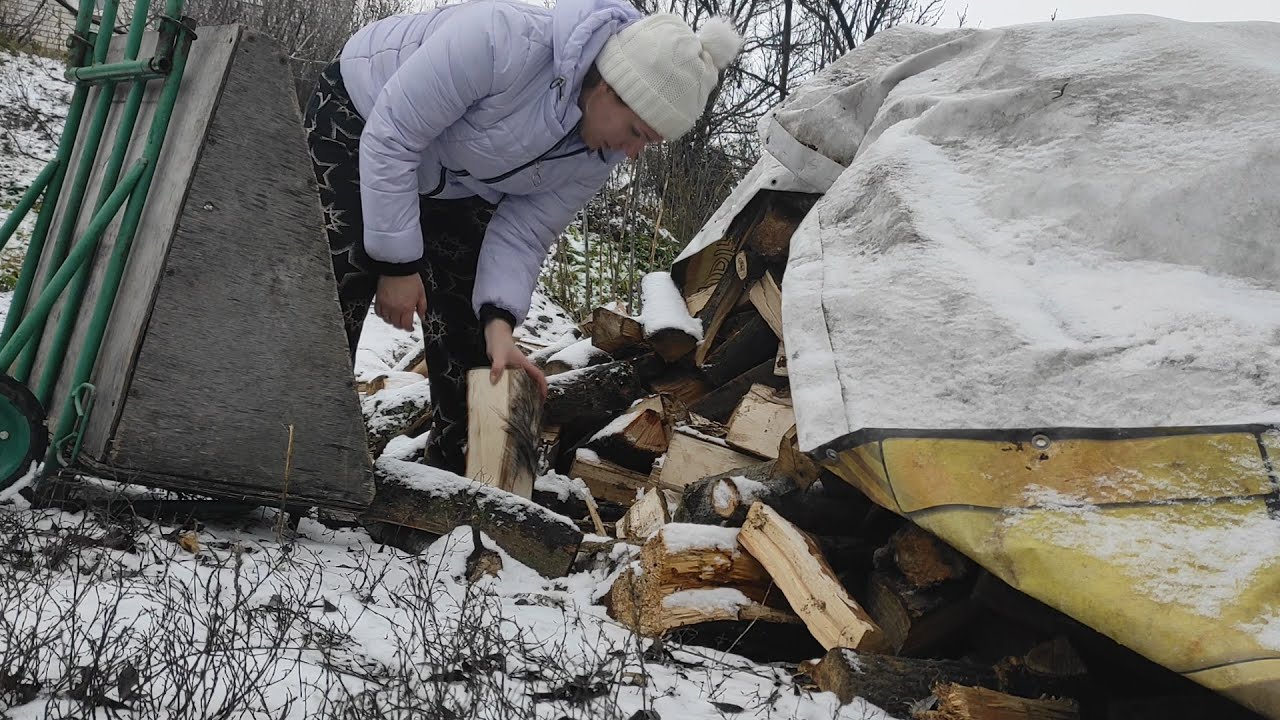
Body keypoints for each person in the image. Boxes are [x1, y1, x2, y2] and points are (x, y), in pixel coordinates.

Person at [304, 0, 741, 473]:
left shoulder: (599, 154)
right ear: (610, 88)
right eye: (636, 132)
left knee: (473, 330)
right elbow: (393, 135)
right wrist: (397, 264)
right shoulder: (498, 40)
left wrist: (499, 328)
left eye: (647, 143)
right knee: (338, 276)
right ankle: (285, 452)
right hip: (361, 116)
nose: (633, 153)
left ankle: (451, 489)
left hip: (455, 174)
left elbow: (525, 231)